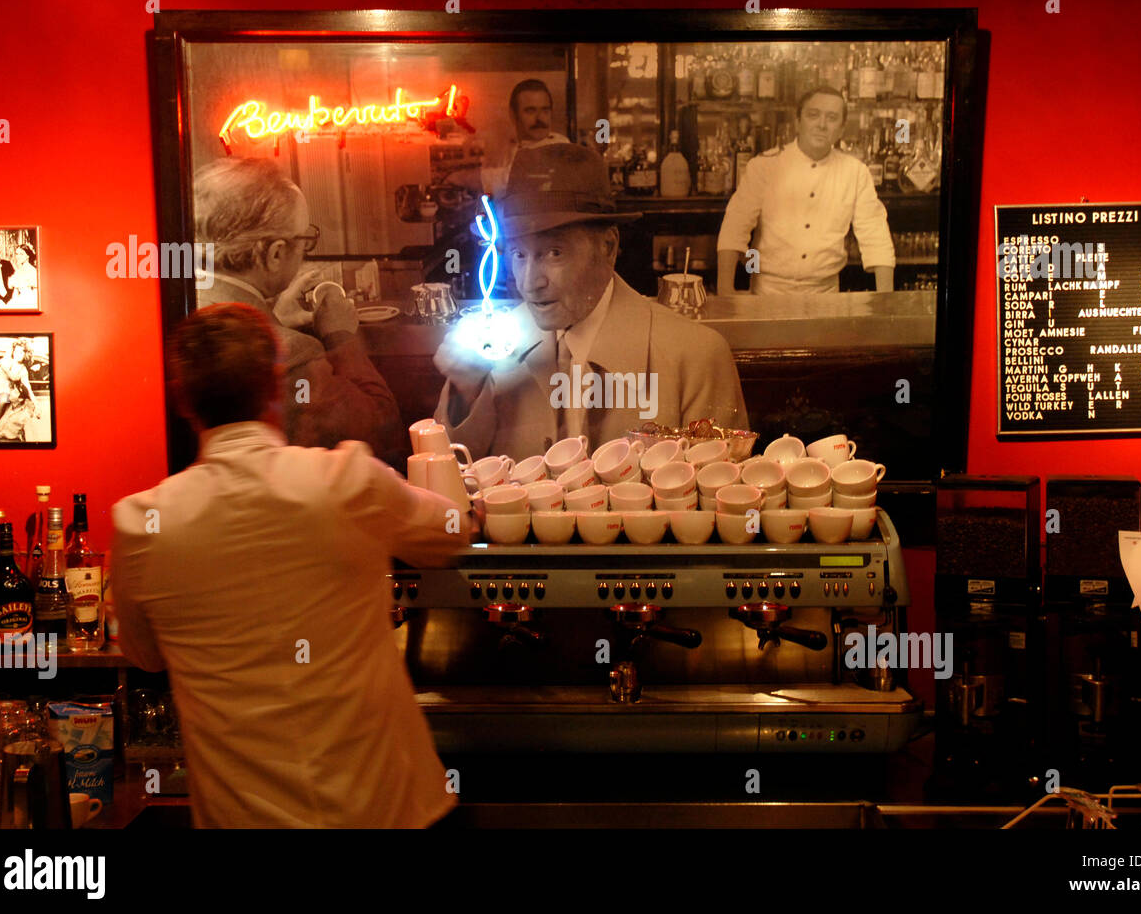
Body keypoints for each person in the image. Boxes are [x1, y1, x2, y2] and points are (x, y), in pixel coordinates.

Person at [110, 303, 467, 828]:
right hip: (386, 810)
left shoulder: (142, 524)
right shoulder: (345, 477)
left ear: (183, 400)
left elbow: (144, 656)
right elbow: (449, 535)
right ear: (276, 387)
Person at [433, 143, 748, 462]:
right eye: (518, 254)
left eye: (554, 253)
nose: (530, 282)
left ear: (608, 248)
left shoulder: (697, 357)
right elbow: (456, 480)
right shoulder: (491, 353)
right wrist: (466, 392)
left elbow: (718, 501)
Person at [193, 157, 410, 469]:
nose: (305, 248)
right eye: (304, 240)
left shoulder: (177, 308)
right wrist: (341, 337)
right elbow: (382, 431)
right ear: (276, 253)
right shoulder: (290, 354)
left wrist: (271, 316)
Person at [717, 86, 896, 295]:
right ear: (798, 122)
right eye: (813, 115)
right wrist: (724, 291)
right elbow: (735, 226)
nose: (821, 125)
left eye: (831, 118)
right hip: (767, 291)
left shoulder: (855, 172)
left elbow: (875, 235)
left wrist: (886, 299)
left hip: (826, 294)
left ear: (841, 129)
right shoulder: (764, 166)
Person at [4, 244, 38, 309]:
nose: (18, 256)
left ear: (27, 256)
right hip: (18, 300)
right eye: (17, 254)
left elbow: (35, 293)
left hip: (29, 302)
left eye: (21, 254)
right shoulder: (18, 271)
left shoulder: (32, 271)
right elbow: (15, 292)